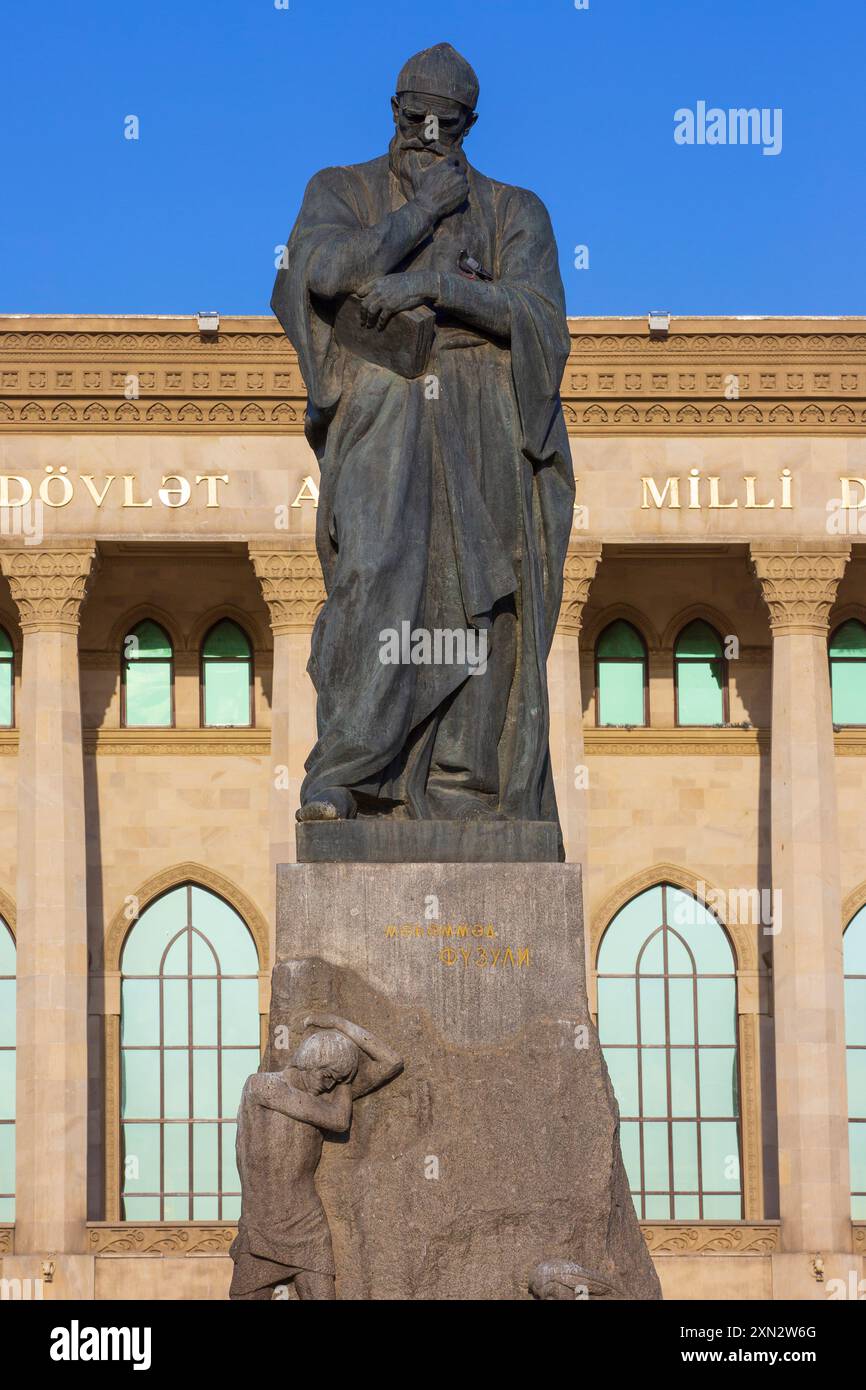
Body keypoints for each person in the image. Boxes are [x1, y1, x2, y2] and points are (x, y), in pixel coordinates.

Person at [272, 43, 574, 838]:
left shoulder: (516, 209)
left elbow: (542, 319)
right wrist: (420, 217)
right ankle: (349, 772)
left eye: (445, 123)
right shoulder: (344, 189)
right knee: (375, 575)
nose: (427, 134)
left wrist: (436, 287)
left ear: (470, 124)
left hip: (485, 417)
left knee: (486, 599)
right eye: (415, 118)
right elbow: (325, 271)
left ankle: (463, 787)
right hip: (384, 413)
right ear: (394, 110)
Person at [229, 1014, 403, 1300]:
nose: (328, 1086)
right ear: (308, 1060)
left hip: (307, 1223)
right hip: (261, 1223)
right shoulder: (261, 1087)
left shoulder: (326, 1097)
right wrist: (345, 1080)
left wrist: (341, 1026)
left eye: (335, 1081)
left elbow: (391, 1062)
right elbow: (337, 1120)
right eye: (326, 1075)